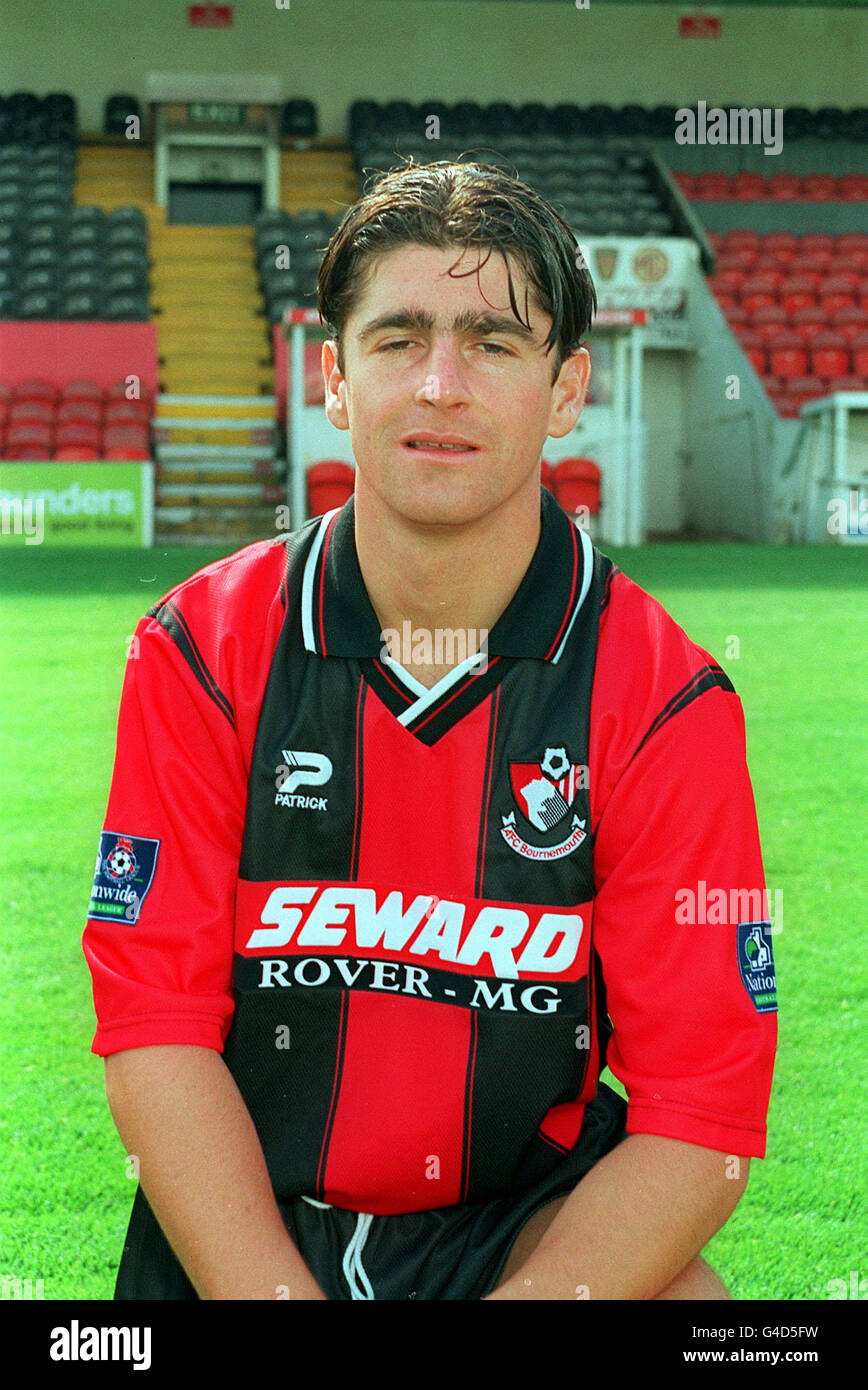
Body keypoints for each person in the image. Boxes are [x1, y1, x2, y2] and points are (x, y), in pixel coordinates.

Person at [82, 159, 777, 1301]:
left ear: (565, 391)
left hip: (514, 1233)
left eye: (495, 343)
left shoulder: (662, 697)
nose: (441, 384)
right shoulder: (202, 647)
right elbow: (154, 1023)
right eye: (399, 338)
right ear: (335, 378)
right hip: (246, 1227)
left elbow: (698, 1115)